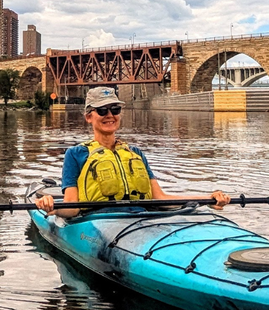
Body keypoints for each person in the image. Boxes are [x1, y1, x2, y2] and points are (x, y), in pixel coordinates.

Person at [34, 86, 229, 215]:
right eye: (102, 111)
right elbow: (72, 207)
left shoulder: (135, 152)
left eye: (115, 110)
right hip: (99, 223)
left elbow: (159, 198)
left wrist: (207, 199)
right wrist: (51, 207)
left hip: (142, 220)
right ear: (88, 117)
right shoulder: (75, 154)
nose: (110, 115)